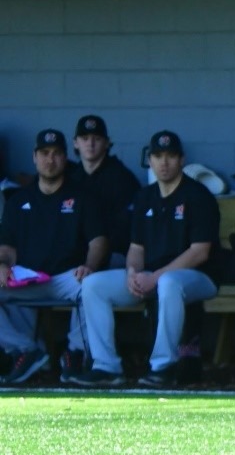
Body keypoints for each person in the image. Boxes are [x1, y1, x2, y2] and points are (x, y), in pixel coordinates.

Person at [76, 130, 220, 388]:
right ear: (150, 161)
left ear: (181, 160)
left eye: (170, 156)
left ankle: (163, 365)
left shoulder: (198, 196)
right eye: (158, 156)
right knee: (93, 285)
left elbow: (200, 252)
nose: (164, 162)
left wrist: (154, 277)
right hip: (153, 277)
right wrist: (133, 274)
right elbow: (137, 248)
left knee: (170, 283)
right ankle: (106, 366)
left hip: (199, 278)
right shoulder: (145, 197)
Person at [0, 129, 107, 385]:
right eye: (45, 153)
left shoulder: (82, 197)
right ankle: (27, 349)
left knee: (92, 286)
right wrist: (3, 265)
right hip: (27, 278)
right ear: (35, 157)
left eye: (57, 153)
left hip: (68, 277)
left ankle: (75, 351)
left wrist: (89, 266)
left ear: (65, 157)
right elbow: (7, 247)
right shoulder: (18, 200)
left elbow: (98, 242)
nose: (50, 159)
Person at [69, 114, 142, 266]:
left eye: (97, 138)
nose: (90, 144)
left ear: (107, 143)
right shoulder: (72, 177)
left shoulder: (122, 178)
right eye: (84, 138)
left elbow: (128, 229)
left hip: (115, 253)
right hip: (77, 253)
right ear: (75, 143)